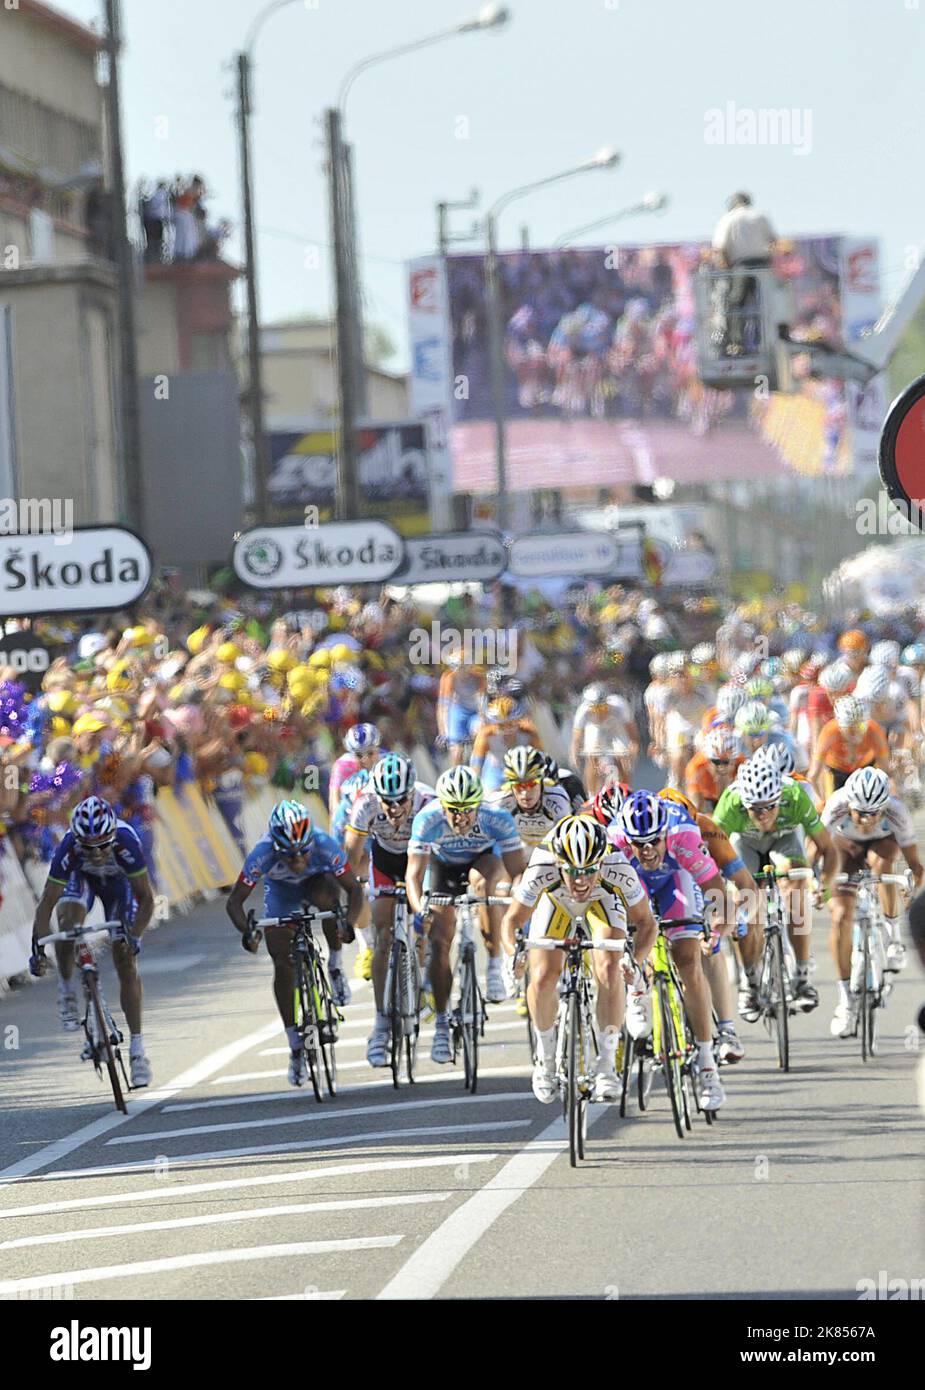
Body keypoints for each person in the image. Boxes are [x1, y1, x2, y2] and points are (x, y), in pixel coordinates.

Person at [501, 814, 655, 1103]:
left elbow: (647, 923)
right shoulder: (542, 865)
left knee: (610, 966)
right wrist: (513, 955)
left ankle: (607, 1066)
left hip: (602, 901)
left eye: (589, 870)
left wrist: (634, 960)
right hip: (556, 902)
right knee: (544, 974)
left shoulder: (617, 866)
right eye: (572, 870)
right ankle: (545, 1060)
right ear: (559, 863)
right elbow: (511, 921)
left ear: (601, 862)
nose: (581, 880)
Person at [226, 800, 364, 1087]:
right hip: (282, 894)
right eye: (289, 854)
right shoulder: (262, 852)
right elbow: (235, 902)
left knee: (329, 901)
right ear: (276, 846)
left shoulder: (324, 844)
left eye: (303, 851)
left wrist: (347, 923)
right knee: (282, 961)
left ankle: (335, 967)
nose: (298, 859)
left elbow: (353, 889)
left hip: (317, 885)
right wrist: (248, 932)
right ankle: (295, 1044)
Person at [29, 795, 157, 1087]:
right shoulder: (69, 847)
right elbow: (46, 902)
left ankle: (138, 1052)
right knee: (67, 922)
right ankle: (67, 990)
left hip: (119, 887)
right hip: (82, 879)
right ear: (78, 840)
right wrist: (37, 948)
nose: (97, 853)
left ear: (112, 834)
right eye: (89, 847)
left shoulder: (126, 841)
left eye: (102, 845)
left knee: (125, 959)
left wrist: (134, 936)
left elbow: (147, 898)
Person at [610, 791, 727, 1109]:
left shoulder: (684, 839)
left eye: (653, 842)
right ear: (627, 840)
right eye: (639, 843)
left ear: (666, 835)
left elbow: (715, 889)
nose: (646, 850)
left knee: (688, 961)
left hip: (677, 881)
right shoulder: (615, 846)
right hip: (635, 886)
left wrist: (714, 928)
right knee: (631, 943)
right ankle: (638, 991)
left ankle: (706, 1065)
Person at [405, 766, 526, 1060]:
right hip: (443, 869)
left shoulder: (496, 818)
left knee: (483, 884)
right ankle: (443, 1023)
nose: (460, 818)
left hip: (484, 861)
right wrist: (420, 907)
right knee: (439, 941)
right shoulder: (427, 819)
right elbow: (413, 877)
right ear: (442, 806)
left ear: (478, 806)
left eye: (467, 810)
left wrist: (515, 903)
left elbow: (518, 873)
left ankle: (495, 964)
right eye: (453, 811)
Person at [343, 754, 435, 1066]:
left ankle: (427, 980)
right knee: (383, 936)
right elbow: (350, 856)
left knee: (430, 921)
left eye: (400, 801)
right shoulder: (365, 804)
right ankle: (381, 1023)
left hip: (421, 859)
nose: (394, 809)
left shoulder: (428, 802)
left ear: (412, 793)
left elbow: (444, 852)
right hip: (384, 860)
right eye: (387, 802)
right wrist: (350, 892)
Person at [821, 767, 923, 1038]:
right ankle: (845, 1001)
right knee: (841, 916)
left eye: (874, 813)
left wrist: (911, 890)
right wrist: (816, 880)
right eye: (860, 813)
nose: (867, 819)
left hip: (883, 845)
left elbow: (915, 864)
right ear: (849, 805)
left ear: (884, 807)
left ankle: (892, 935)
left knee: (883, 866)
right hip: (845, 847)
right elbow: (818, 847)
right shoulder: (837, 804)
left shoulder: (896, 811)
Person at [711, 191, 777, 355]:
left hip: (740, 266)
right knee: (763, 304)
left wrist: (726, 268)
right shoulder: (760, 215)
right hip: (762, 266)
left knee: (735, 303)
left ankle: (737, 342)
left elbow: (719, 247)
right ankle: (764, 340)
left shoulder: (729, 218)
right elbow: (773, 240)